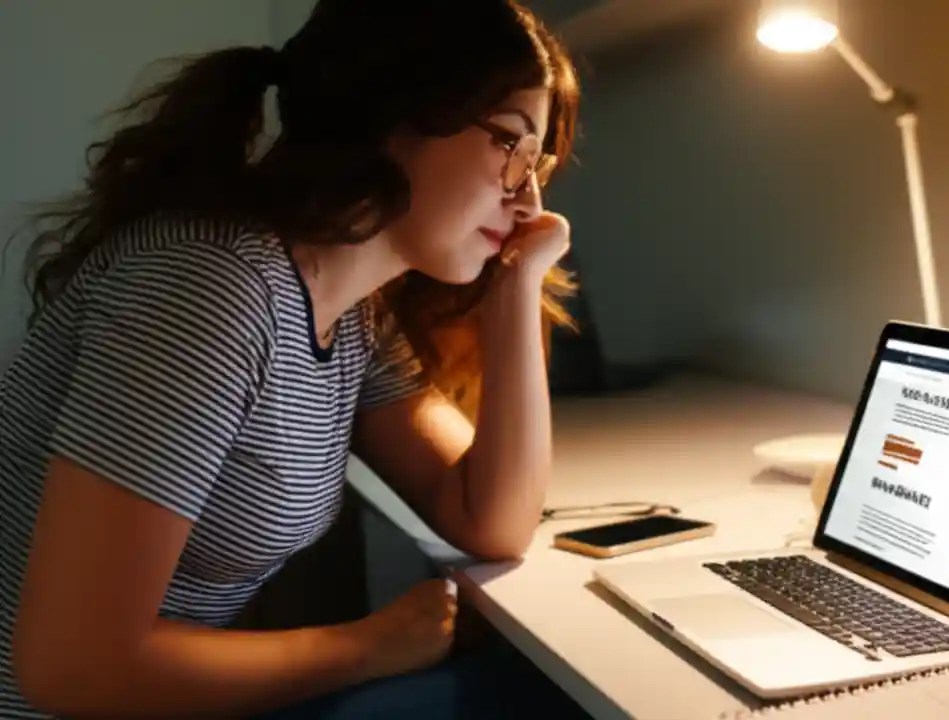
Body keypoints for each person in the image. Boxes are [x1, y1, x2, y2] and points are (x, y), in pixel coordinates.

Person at [0, 1, 590, 717]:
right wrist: (369, 645)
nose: (529, 198)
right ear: (394, 111)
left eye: (540, 164)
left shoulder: (347, 313)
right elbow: (71, 668)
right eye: (510, 145)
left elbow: (490, 518)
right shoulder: (209, 286)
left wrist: (516, 287)